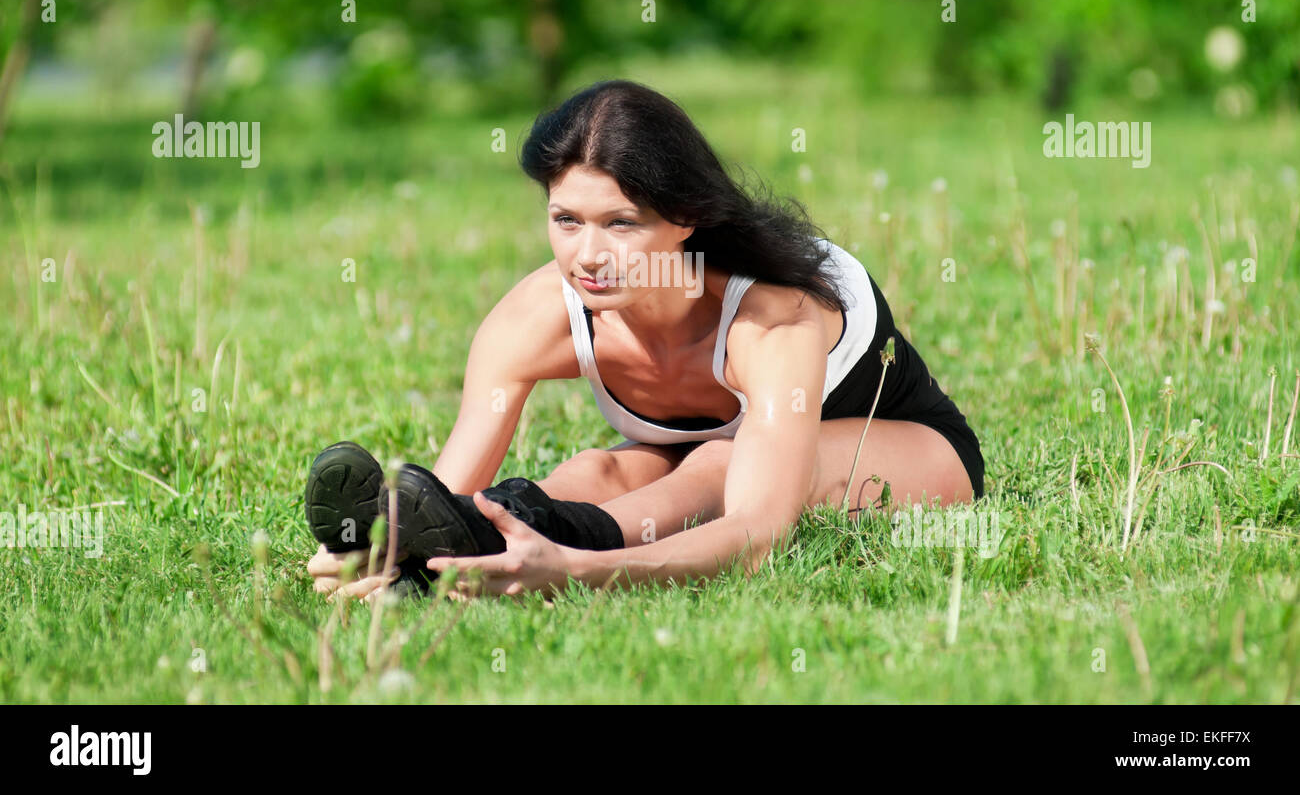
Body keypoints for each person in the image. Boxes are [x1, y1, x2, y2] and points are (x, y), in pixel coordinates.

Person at [305, 79, 984, 602]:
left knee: (716, 467)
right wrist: (395, 549)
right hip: (711, 458)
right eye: (566, 219)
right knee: (597, 473)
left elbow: (755, 536)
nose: (588, 255)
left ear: (685, 217)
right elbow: (449, 486)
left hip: (905, 446)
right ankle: (494, 534)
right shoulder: (533, 318)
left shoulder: (772, 319)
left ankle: (551, 540)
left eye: (621, 223)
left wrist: (579, 571)